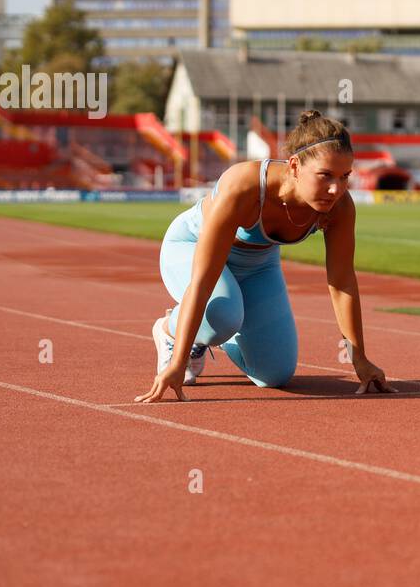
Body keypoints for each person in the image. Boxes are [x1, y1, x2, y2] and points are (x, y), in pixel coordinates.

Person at [135, 110, 395, 402]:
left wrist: (359, 358)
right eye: (325, 176)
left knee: (275, 375)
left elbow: (342, 280)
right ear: (294, 166)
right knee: (223, 313)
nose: (336, 189)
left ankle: (225, 327)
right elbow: (203, 279)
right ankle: (172, 331)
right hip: (191, 247)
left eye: (345, 177)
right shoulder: (244, 186)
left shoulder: (340, 206)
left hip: (258, 266)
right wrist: (177, 363)